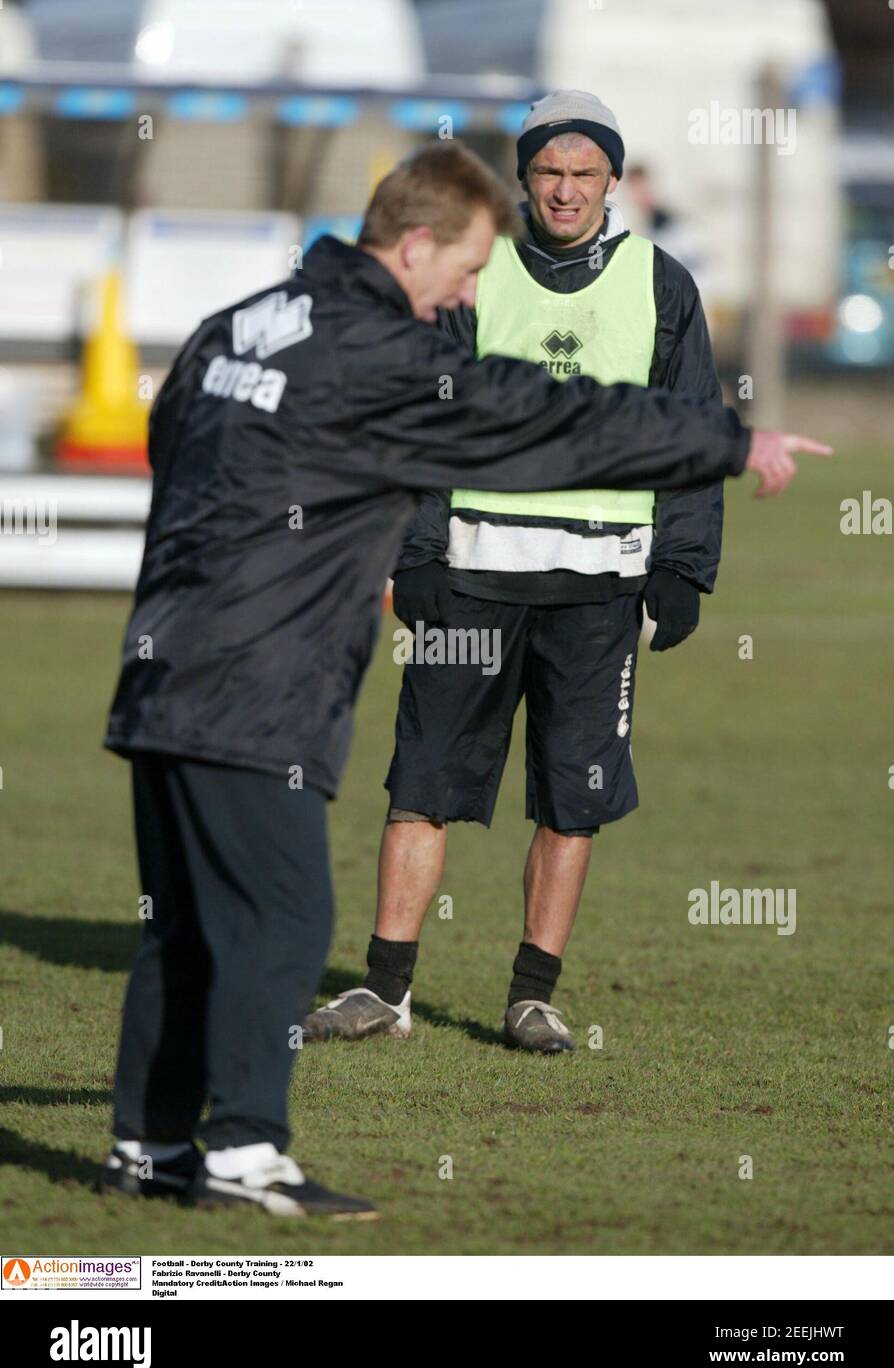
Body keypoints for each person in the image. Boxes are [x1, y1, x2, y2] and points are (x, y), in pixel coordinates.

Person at [99, 139, 826, 1218]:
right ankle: (247, 1153)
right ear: (421, 244)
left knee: (191, 921)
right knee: (286, 918)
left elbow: (171, 443)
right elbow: (545, 416)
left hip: (158, 664)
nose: (477, 292)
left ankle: (148, 1150)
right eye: (473, 268)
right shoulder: (381, 353)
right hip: (257, 683)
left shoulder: (247, 321)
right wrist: (719, 440)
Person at [300, 92, 815, 1055]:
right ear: (523, 178)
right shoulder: (475, 273)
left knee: (573, 799)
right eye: (550, 172)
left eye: (586, 173)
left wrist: (684, 569)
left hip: (599, 588)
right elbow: (420, 419)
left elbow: (692, 428)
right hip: (470, 576)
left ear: (614, 180)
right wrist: (414, 550)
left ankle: (532, 998)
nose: (567, 190)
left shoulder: (663, 286)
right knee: (422, 784)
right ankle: (384, 993)